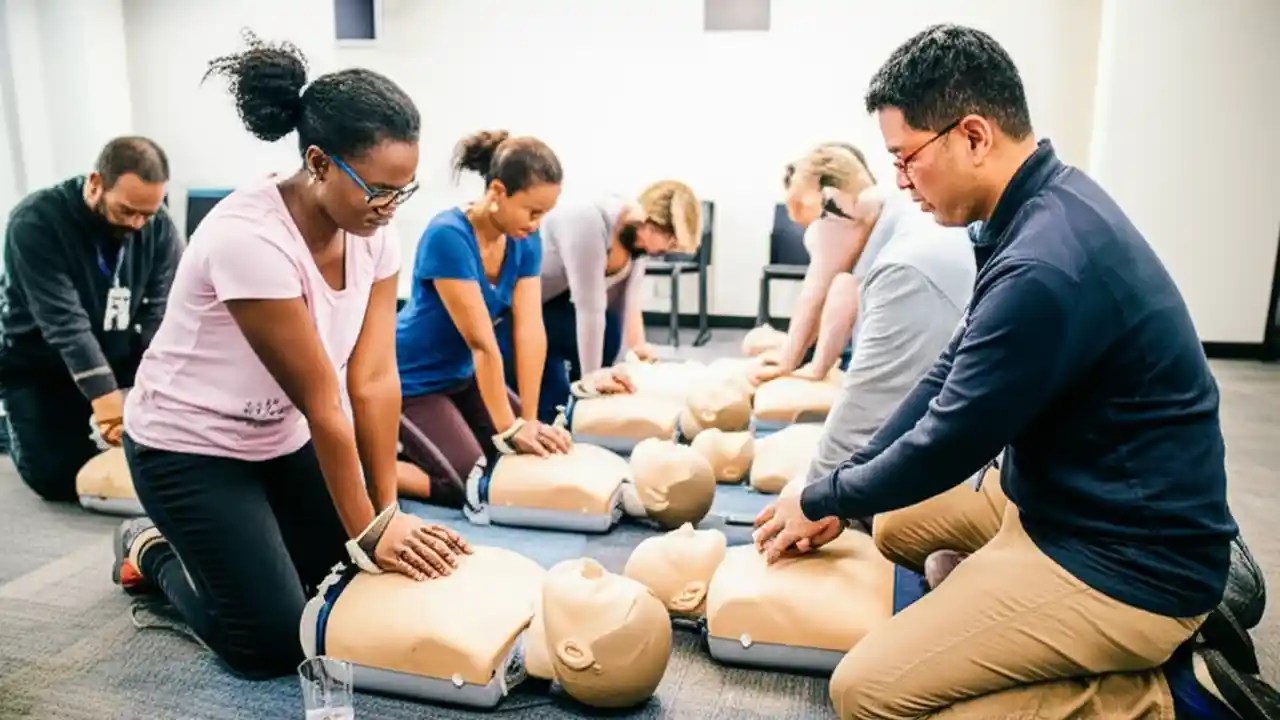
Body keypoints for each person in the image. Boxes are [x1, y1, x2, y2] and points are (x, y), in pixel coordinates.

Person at [753, 23, 1277, 720]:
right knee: (892, 526)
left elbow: (949, 441)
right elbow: (945, 376)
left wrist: (819, 499)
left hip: (1125, 559)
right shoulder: (1030, 208)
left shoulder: (1045, 261)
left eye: (907, 159)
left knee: (867, 694)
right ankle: (1018, 614)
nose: (901, 183)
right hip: (1063, 498)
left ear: (973, 135)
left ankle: (1166, 697)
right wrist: (837, 491)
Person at [109, 32, 470, 680]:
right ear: (319, 162)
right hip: (187, 448)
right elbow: (323, 400)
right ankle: (153, 549)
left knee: (337, 587)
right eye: (377, 189)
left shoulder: (375, 235)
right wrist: (368, 532)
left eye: (403, 190)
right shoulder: (248, 239)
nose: (390, 208)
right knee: (273, 642)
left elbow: (374, 381)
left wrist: (385, 516)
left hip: (278, 439)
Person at [395, 130, 581, 506]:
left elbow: (530, 329)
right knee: (469, 484)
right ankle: (362, 462)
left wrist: (527, 420)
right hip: (412, 381)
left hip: (463, 378)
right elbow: (482, 343)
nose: (537, 223)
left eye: (544, 214)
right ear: (497, 191)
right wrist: (508, 428)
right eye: (532, 211)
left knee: (520, 455)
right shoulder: (448, 235)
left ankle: (425, 446)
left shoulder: (524, 239)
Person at [0, 136, 183, 502]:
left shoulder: (157, 227)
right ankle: (11, 430)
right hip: (39, 365)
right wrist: (107, 405)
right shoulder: (34, 222)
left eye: (146, 213)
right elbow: (64, 325)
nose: (136, 223)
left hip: (114, 355)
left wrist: (158, 388)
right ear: (96, 184)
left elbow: (160, 314)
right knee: (59, 480)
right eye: (126, 210)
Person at [511, 180, 702, 423]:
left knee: (611, 335)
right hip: (515, 311)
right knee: (555, 403)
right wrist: (593, 378)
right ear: (654, 225)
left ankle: (580, 416)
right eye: (672, 243)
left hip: (552, 305)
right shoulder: (589, 222)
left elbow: (628, 303)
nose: (668, 250)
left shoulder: (637, 242)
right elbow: (589, 307)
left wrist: (637, 352)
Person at [750, 143, 890, 384]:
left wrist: (788, 362)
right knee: (756, 341)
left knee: (842, 285)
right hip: (873, 327)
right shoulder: (873, 204)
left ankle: (815, 367)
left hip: (863, 340)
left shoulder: (839, 216)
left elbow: (814, 295)